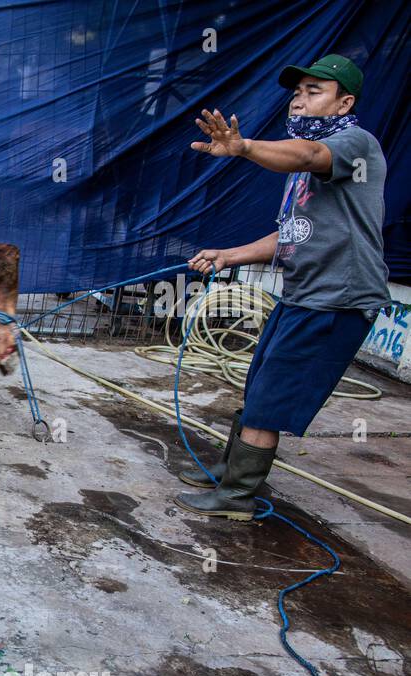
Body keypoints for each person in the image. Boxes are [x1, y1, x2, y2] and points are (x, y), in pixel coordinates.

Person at [177, 54, 388, 520]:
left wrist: (244, 147)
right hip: (303, 293)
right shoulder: (299, 170)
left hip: (338, 297)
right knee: (258, 385)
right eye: (297, 93)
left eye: (315, 92)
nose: (299, 101)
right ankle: (231, 472)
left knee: (271, 396)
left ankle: (237, 498)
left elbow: (311, 154)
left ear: (344, 102)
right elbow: (292, 233)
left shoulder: (354, 144)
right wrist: (228, 254)